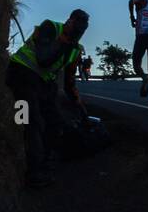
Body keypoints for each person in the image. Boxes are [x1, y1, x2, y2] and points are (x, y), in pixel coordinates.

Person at [6, 10, 91, 189]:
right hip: (20, 74)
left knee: (55, 123)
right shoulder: (50, 27)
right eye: (75, 27)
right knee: (31, 121)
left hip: (42, 83)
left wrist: (83, 111)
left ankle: (44, 162)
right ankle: (33, 173)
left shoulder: (75, 50)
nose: (76, 34)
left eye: (80, 32)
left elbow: (69, 84)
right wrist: (61, 42)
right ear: (69, 21)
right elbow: (43, 60)